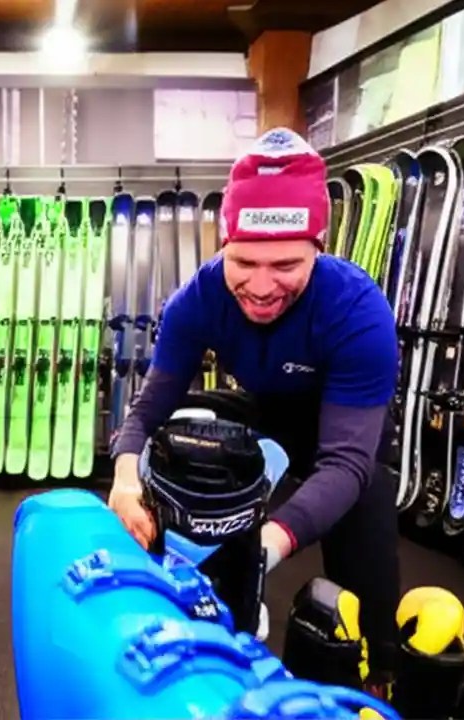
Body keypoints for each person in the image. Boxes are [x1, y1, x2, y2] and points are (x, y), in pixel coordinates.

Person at [107, 127, 402, 697]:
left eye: (286, 264)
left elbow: (344, 464)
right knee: (176, 433)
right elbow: (146, 414)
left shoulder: (358, 309)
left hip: (346, 433)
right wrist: (124, 481)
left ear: (318, 248)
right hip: (266, 413)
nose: (262, 286)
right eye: (244, 261)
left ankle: (378, 681)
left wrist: (259, 550)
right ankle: (173, 579)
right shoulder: (198, 299)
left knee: (365, 556)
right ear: (224, 244)